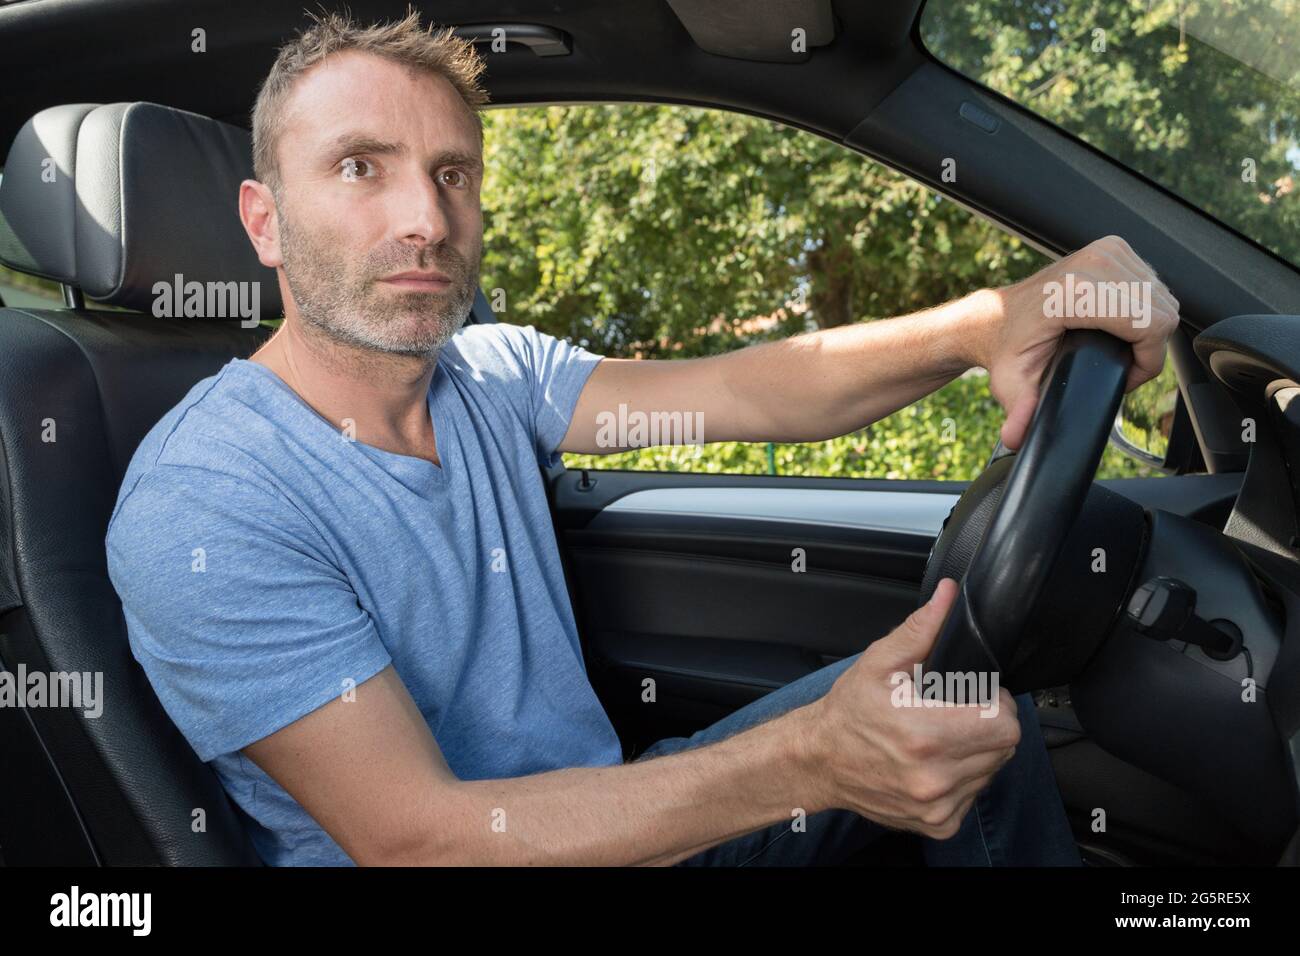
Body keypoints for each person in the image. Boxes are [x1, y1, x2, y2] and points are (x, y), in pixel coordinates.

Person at [105, 8, 1179, 866]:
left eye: (452, 173)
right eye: (359, 168)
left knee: (960, 716)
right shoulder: (206, 498)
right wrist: (811, 757)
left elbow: (762, 392)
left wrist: (984, 323)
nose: (424, 219)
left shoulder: (487, 376)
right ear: (261, 221)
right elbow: (417, 837)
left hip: (618, 820)